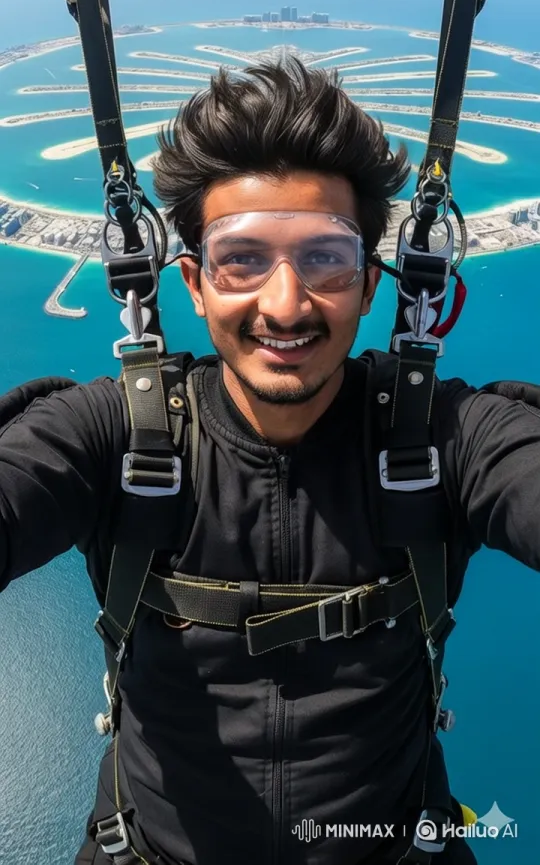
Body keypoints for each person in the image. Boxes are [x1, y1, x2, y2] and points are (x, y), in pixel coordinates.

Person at [1, 57, 539, 865]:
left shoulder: (444, 439)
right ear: (193, 282)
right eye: (242, 257)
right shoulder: (112, 435)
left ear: (368, 282)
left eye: (324, 256)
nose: (284, 303)